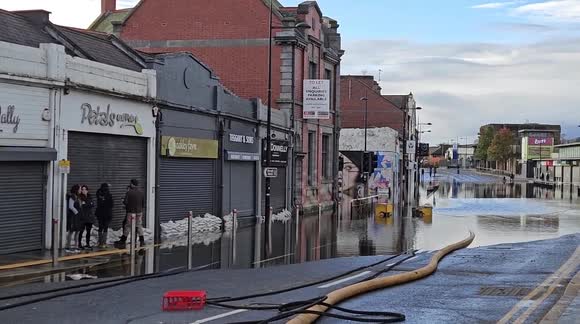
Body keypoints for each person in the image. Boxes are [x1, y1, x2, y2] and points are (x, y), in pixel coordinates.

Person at [115, 179, 145, 248]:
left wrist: (123, 201)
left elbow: (125, 202)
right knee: (139, 225)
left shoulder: (129, 192)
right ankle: (142, 240)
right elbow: (143, 203)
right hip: (139, 212)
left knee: (128, 225)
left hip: (131, 212)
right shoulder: (141, 192)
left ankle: (123, 240)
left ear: (132, 184)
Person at [96, 183, 114, 248]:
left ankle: (100, 242)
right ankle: (103, 242)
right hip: (107, 213)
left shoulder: (98, 194)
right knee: (105, 227)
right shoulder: (108, 195)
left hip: (100, 213)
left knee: (100, 227)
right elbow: (111, 205)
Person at [78, 185, 95, 249]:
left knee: (88, 231)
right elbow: (82, 206)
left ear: (87, 190)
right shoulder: (80, 197)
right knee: (81, 231)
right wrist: (88, 204)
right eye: (82, 189)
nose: (84, 191)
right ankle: (79, 244)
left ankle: (87, 244)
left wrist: (86, 204)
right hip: (82, 217)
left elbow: (93, 204)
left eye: (85, 189)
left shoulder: (90, 196)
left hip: (89, 217)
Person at [66, 184, 82, 251]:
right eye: (80, 189)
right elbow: (70, 206)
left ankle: (76, 245)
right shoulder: (72, 197)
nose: (80, 190)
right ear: (76, 190)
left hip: (77, 216)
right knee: (71, 231)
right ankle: (68, 246)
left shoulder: (78, 197)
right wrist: (76, 212)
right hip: (73, 216)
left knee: (77, 231)